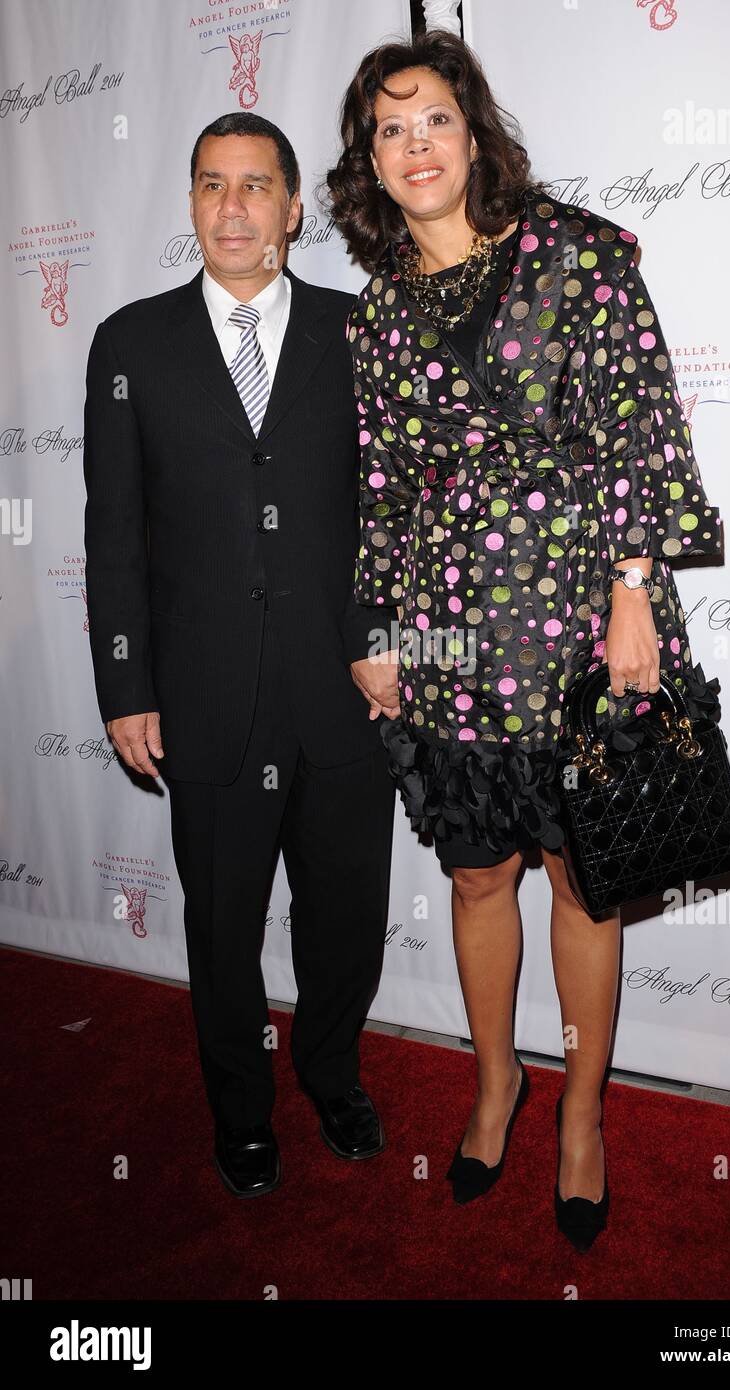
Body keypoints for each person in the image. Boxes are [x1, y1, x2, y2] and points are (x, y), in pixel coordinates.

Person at [325, 30, 723, 1249]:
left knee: (581, 872)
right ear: (370, 165)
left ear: (473, 129)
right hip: (449, 627)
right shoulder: (376, 314)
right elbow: (385, 484)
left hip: (579, 608)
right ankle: (495, 1080)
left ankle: (583, 1113)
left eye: (432, 117)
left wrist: (631, 591)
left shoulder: (580, 255)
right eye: (389, 129)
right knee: (475, 872)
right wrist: (377, 626)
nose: (415, 145)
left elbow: (639, 424)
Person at [82, 112, 401, 1199]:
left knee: (346, 915)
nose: (232, 207)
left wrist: (389, 646)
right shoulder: (130, 344)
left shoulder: (359, 332)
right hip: (206, 697)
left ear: (293, 206)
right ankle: (240, 1112)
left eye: (256, 185)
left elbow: (398, 517)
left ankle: (332, 1074)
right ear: (189, 203)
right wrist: (125, 684)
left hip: (344, 693)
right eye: (212, 184)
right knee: (221, 929)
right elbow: (113, 534)